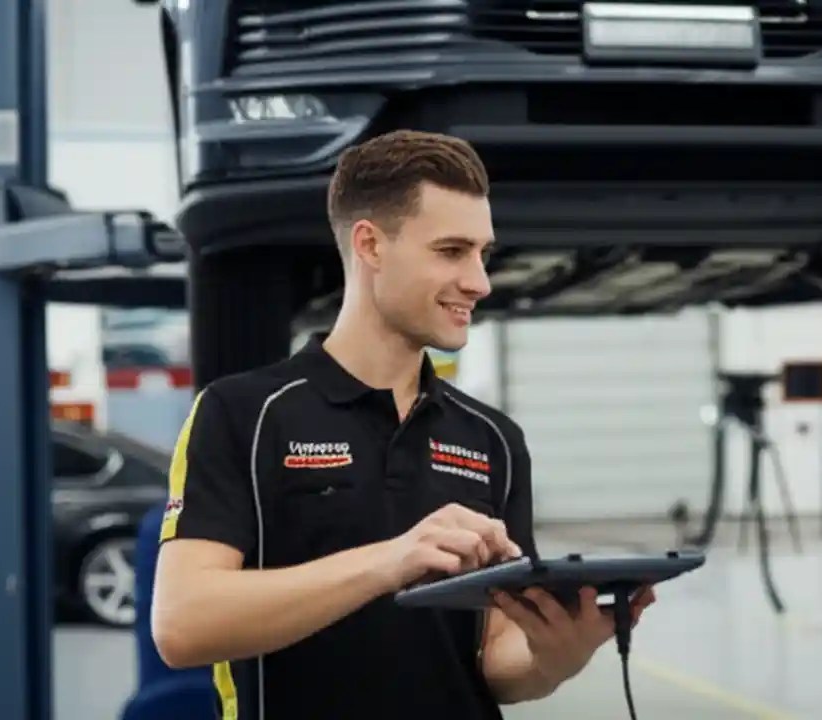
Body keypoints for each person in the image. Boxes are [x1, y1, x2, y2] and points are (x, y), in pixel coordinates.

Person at [151, 129, 656, 719]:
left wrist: (556, 656)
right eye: (451, 251)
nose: (480, 281)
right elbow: (182, 624)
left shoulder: (493, 440)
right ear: (370, 245)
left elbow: (496, 660)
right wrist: (391, 561)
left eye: (483, 254)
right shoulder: (244, 414)